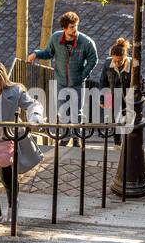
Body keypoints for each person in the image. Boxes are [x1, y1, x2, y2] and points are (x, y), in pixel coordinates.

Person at [0, 60, 44, 224]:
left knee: (8, 178)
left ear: (1, 81)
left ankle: (12, 208)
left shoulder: (14, 92)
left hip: (8, 140)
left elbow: (33, 104)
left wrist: (34, 118)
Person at [27, 10, 97, 144]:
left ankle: (76, 138)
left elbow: (93, 59)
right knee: (62, 111)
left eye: (76, 26)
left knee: (77, 112)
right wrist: (35, 54)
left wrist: (82, 76)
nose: (74, 29)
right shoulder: (55, 38)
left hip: (77, 83)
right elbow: (48, 53)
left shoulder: (86, 42)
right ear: (64, 28)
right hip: (61, 82)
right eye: (71, 27)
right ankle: (64, 138)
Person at [99, 37, 133, 143]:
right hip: (112, 96)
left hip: (128, 98)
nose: (117, 63)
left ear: (125, 56)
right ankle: (117, 144)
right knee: (115, 122)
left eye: (120, 61)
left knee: (129, 123)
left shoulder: (132, 65)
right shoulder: (107, 63)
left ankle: (128, 145)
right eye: (115, 60)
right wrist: (102, 99)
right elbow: (103, 82)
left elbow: (137, 83)